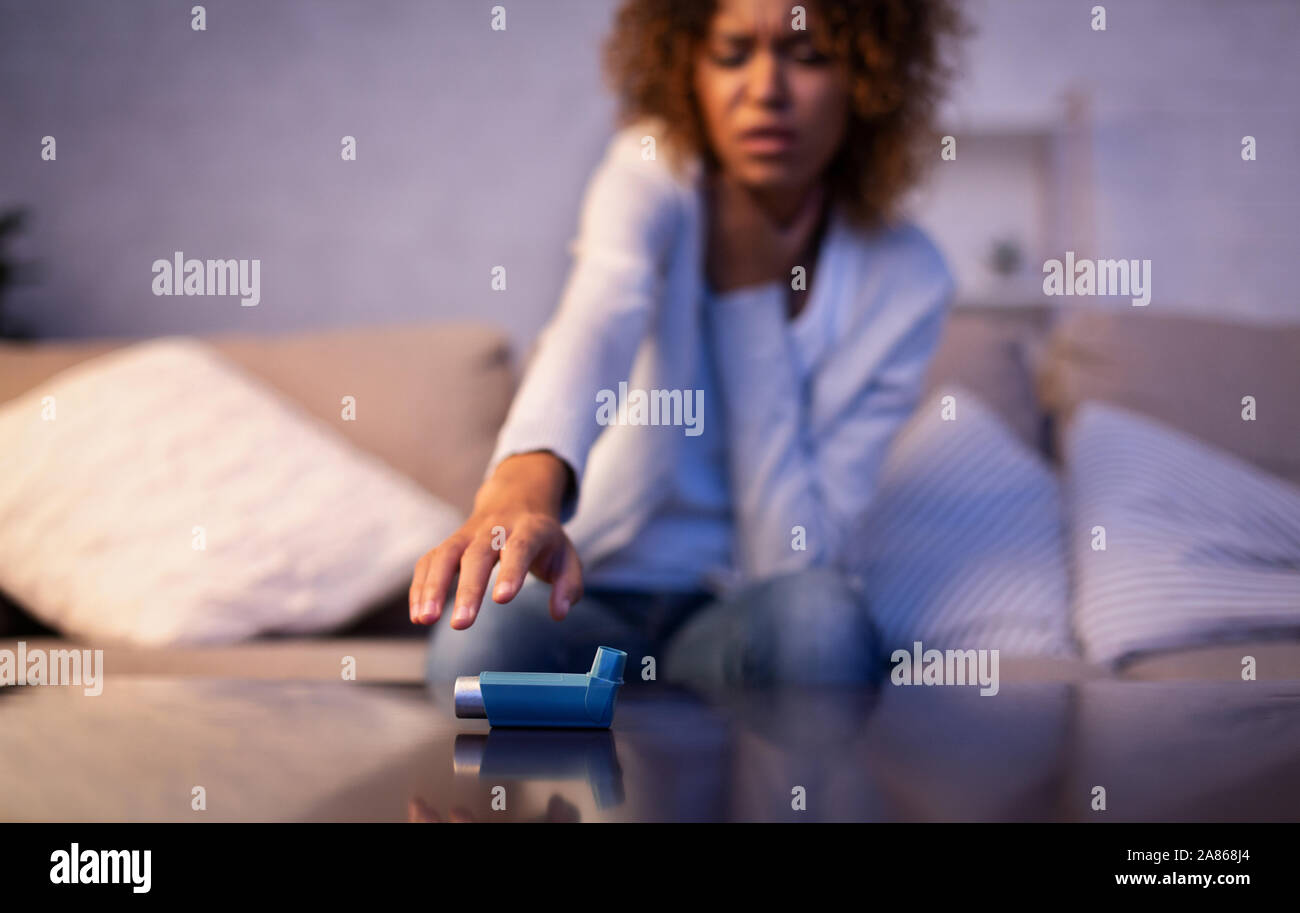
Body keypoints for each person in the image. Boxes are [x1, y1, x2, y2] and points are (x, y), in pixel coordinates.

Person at [413, 0, 961, 691]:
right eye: (732, 53)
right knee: (474, 656)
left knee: (822, 629)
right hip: (589, 596)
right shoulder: (649, 169)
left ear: (869, 79)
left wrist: (747, 301)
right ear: (686, 70)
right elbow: (597, 316)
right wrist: (519, 486)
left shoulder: (909, 277)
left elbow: (796, 558)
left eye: (810, 54)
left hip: (744, 609)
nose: (765, 89)